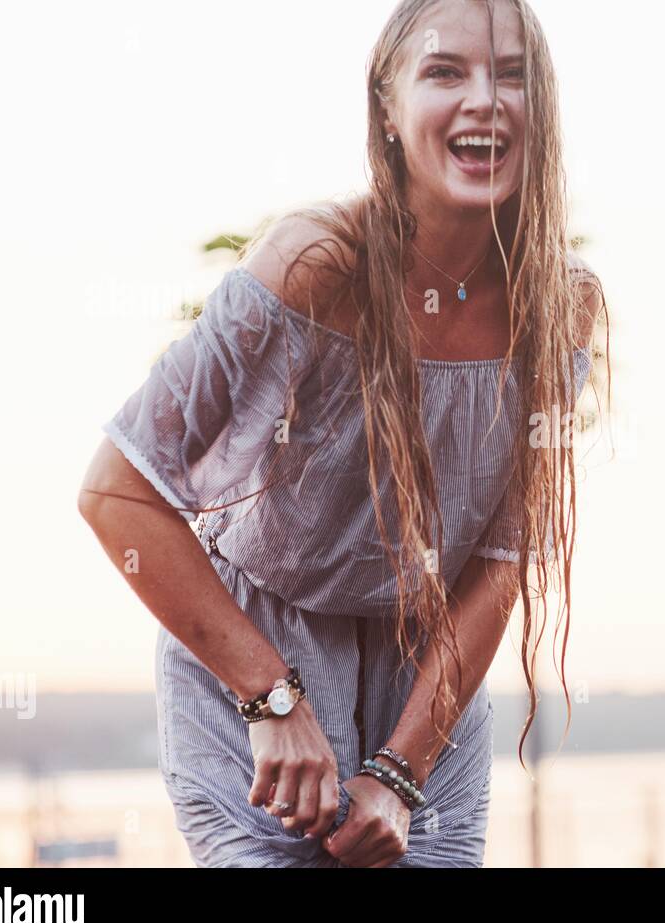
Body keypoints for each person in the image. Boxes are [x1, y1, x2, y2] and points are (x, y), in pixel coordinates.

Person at [77, 0, 608, 867]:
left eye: (512, 74)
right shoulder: (313, 267)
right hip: (260, 650)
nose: (486, 99)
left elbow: (503, 560)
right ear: (387, 111)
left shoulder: (564, 305)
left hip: (426, 677)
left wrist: (401, 770)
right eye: (446, 72)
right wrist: (270, 699)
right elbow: (115, 491)